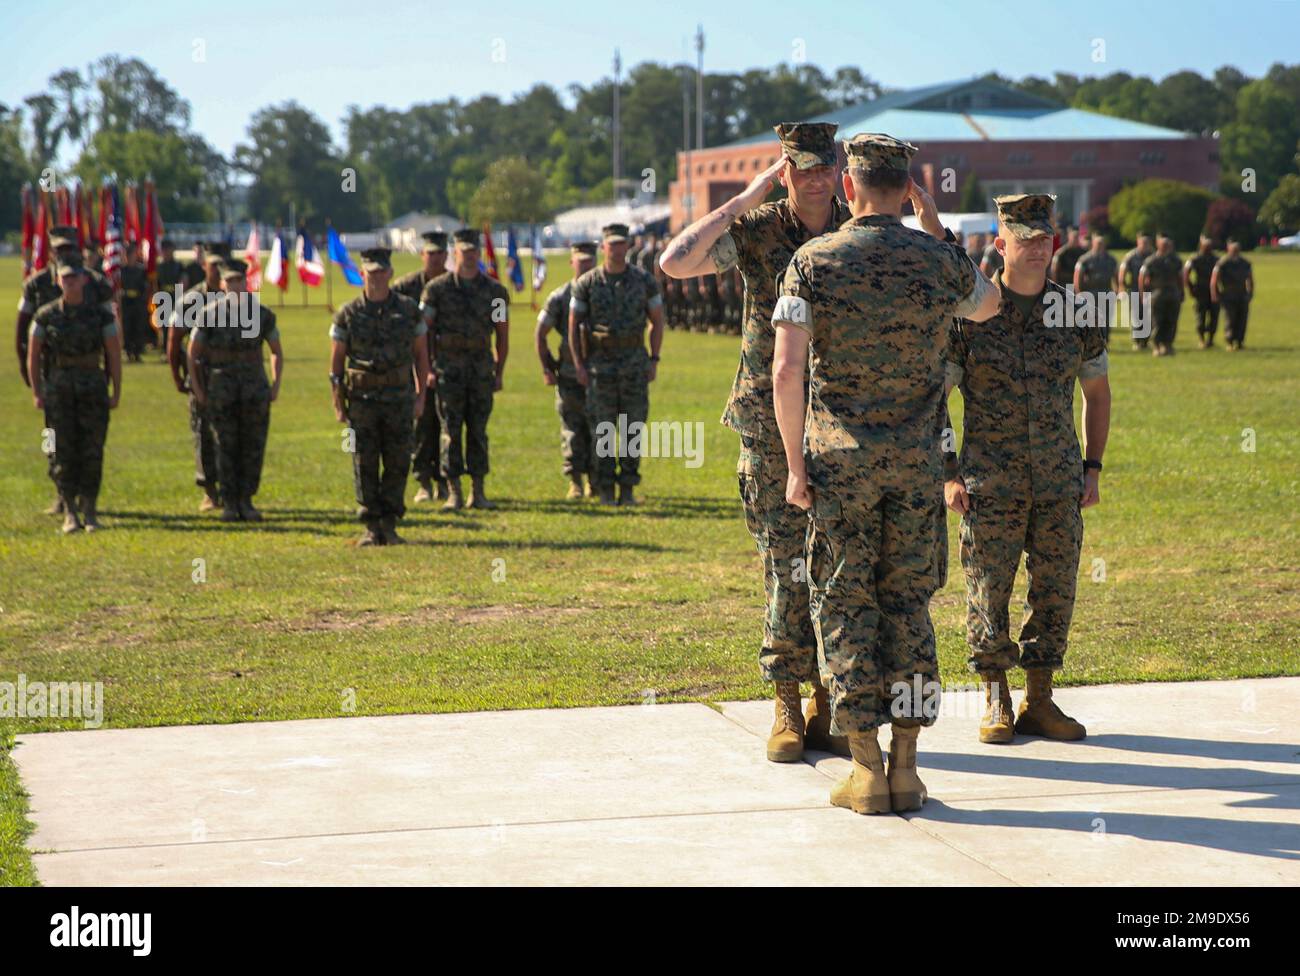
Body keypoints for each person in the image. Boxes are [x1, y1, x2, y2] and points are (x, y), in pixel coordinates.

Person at [772, 132, 1000, 815]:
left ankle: (864, 770)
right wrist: (937, 230)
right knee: (909, 608)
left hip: (840, 467)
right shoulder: (939, 262)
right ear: (907, 187)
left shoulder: (812, 262)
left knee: (844, 609)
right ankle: (907, 768)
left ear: (848, 187)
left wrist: (792, 467)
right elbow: (988, 304)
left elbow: (785, 371)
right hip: (916, 468)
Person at [660, 121, 851, 761]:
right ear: (784, 171)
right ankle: (787, 705)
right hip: (770, 423)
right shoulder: (758, 228)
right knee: (784, 561)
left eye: (826, 166)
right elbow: (675, 261)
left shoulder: (859, 231)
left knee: (843, 562)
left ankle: (834, 698)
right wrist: (742, 201)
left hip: (846, 420)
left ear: (839, 169)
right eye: (803, 168)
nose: (816, 178)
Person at [943, 193, 1111, 744]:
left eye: (1045, 239)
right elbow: (933, 399)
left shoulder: (1078, 311)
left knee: (1056, 589)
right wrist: (947, 471)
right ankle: (993, 695)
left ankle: (1038, 698)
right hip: (988, 482)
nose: (1037, 249)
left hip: (1060, 480)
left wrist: (1093, 467)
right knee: (988, 590)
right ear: (1000, 244)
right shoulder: (971, 315)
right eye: (1025, 240)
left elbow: (1097, 392)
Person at [15, 225, 116, 516]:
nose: (65, 253)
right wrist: (25, 368)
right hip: (52, 373)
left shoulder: (96, 283)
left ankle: (80, 494)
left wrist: (107, 375)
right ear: (51, 251)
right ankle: (61, 491)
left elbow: (110, 331)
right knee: (53, 435)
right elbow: (22, 327)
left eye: (70, 248)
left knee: (85, 436)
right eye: (60, 249)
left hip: (87, 371)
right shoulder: (36, 283)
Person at [331, 248, 430, 544]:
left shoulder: (408, 309)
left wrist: (421, 395)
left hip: (399, 397)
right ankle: (371, 525)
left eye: (381, 271)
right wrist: (338, 402)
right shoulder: (348, 313)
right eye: (370, 272)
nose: (376, 277)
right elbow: (336, 362)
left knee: (399, 459)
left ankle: (389, 523)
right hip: (362, 400)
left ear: (389, 273)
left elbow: (421, 356)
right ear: (362, 274)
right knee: (364, 460)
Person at [568, 223, 665, 507]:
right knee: (604, 430)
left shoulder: (644, 281)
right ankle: (606, 487)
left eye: (622, 244)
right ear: (603, 247)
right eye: (612, 244)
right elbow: (574, 326)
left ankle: (628, 487)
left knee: (632, 428)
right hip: (600, 366)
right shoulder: (587, 283)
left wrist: (654, 358)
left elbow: (657, 321)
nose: (618, 249)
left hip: (634, 363)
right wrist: (579, 365)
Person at [187, 258, 283, 523]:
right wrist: (198, 390)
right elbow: (192, 354)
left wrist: (275, 383)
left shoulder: (262, 314)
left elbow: (276, 351)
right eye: (230, 281)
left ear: (247, 283)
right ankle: (229, 502)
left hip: (254, 389)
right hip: (221, 390)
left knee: (253, 445)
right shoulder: (208, 314)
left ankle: (246, 500)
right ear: (221, 284)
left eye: (239, 281)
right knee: (224, 445)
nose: (235, 286)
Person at [420, 228, 509, 510]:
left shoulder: (495, 292)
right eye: (464, 251)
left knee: (478, 431)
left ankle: (478, 492)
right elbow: (424, 333)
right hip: (448, 371)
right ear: (454, 253)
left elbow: (502, 334)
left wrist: (499, 371)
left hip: (481, 370)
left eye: (474, 251)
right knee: (450, 431)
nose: (469, 256)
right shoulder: (436, 290)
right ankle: (454, 491)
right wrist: (429, 371)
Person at [169, 244, 228, 511]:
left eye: (221, 264)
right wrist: (177, 377)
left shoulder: (238, 298)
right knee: (203, 433)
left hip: (231, 375)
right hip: (202, 376)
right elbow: (174, 340)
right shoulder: (191, 299)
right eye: (213, 264)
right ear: (204, 266)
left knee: (232, 433)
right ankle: (210, 491)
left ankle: (232, 487)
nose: (217, 270)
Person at [537, 242, 598, 499]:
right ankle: (574, 481)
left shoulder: (603, 292)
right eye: (580, 261)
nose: (585, 266)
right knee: (572, 429)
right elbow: (540, 333)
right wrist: (547, 367)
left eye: (589, 261)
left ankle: (597, 481)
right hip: (570, 376)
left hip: (600, 375)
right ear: (572, 262)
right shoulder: (560, 297)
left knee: (600, 429)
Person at [392, 231, 449, 503]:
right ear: (422, 255)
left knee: (448, 426)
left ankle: (446, 480)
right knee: (422, 426)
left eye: (441, 254)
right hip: (414, 367)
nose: (436, 258)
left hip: (450, 368)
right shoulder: (405, 288)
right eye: (431, 254)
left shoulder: (455, 285)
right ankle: (423, 481)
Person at [1140, 234, 1183, 356]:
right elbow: (1142, 276)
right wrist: (1143, 293)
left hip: (1173, 294)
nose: (1166, 247)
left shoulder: (1176, 260)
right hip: (1158, 294)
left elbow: (1180, 277)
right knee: (1157, 321)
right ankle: (1157, 345)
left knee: (1171, 321)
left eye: (1168, 245)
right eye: (1164, 245)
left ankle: (1168, 345)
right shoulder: (1152, 261)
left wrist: (1181, 292)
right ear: (1158, 245)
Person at [1073, 233, 1119, 342]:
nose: (1100, 245)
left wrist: (1117, 289)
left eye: (1102, 243)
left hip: (1106, 292)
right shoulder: (1085, 259)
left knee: (1106, 318)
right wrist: (1079, 292)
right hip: (1090, 293)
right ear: (1093, 244)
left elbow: (1116, 276)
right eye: (1098, 243)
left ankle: (1105, 339)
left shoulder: (1111, 259)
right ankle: (1091, 340)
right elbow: (1078, 276)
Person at [1212, 239, 1253, 351]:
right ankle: (1230, 341)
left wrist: (1250, 293)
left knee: (1242, 319)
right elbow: (1214, 280)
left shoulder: (1245, 263)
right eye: (1233, 250)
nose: (1235, 251)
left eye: (1237, 250)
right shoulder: (1223, 263)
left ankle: (1239, 342)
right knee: (1230, 319)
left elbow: (1250, 279)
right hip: (1228, 295)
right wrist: (1215, 293)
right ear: (1228, 250)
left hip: (1242, 295)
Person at [1183, 236, 1219, 349]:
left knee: (1214, 316)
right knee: (1200, 316)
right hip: (1200, 291)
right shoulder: (1195, 258)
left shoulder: (1216, 259)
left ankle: (1211, 339)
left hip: (1214, 291)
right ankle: (1202, 339)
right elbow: (1186, 273)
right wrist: (1190, 287)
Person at [1119, 234, 1154, 350]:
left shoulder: (1152, 256)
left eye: (1147, 243)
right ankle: (1137, 341)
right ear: (1138, 243)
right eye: (1142, 243)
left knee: (1148, 315)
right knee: (1136, 315)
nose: (1145, 245)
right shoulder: (1131, 256)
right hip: (1134, 289)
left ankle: (1146, 340)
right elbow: (1123, 270)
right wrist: (1122, 286)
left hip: (1149, 290)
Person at [118, 242, 150, 362]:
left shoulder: (140, 270)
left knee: (138, 326)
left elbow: (145, 286)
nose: (129, 257)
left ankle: (137, 352)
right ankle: (128, 351)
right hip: (126, 300)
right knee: (127, 327)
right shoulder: (122, 270)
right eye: (127, 255)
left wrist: (144, 300)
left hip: (138, 300)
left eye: (131, 254)